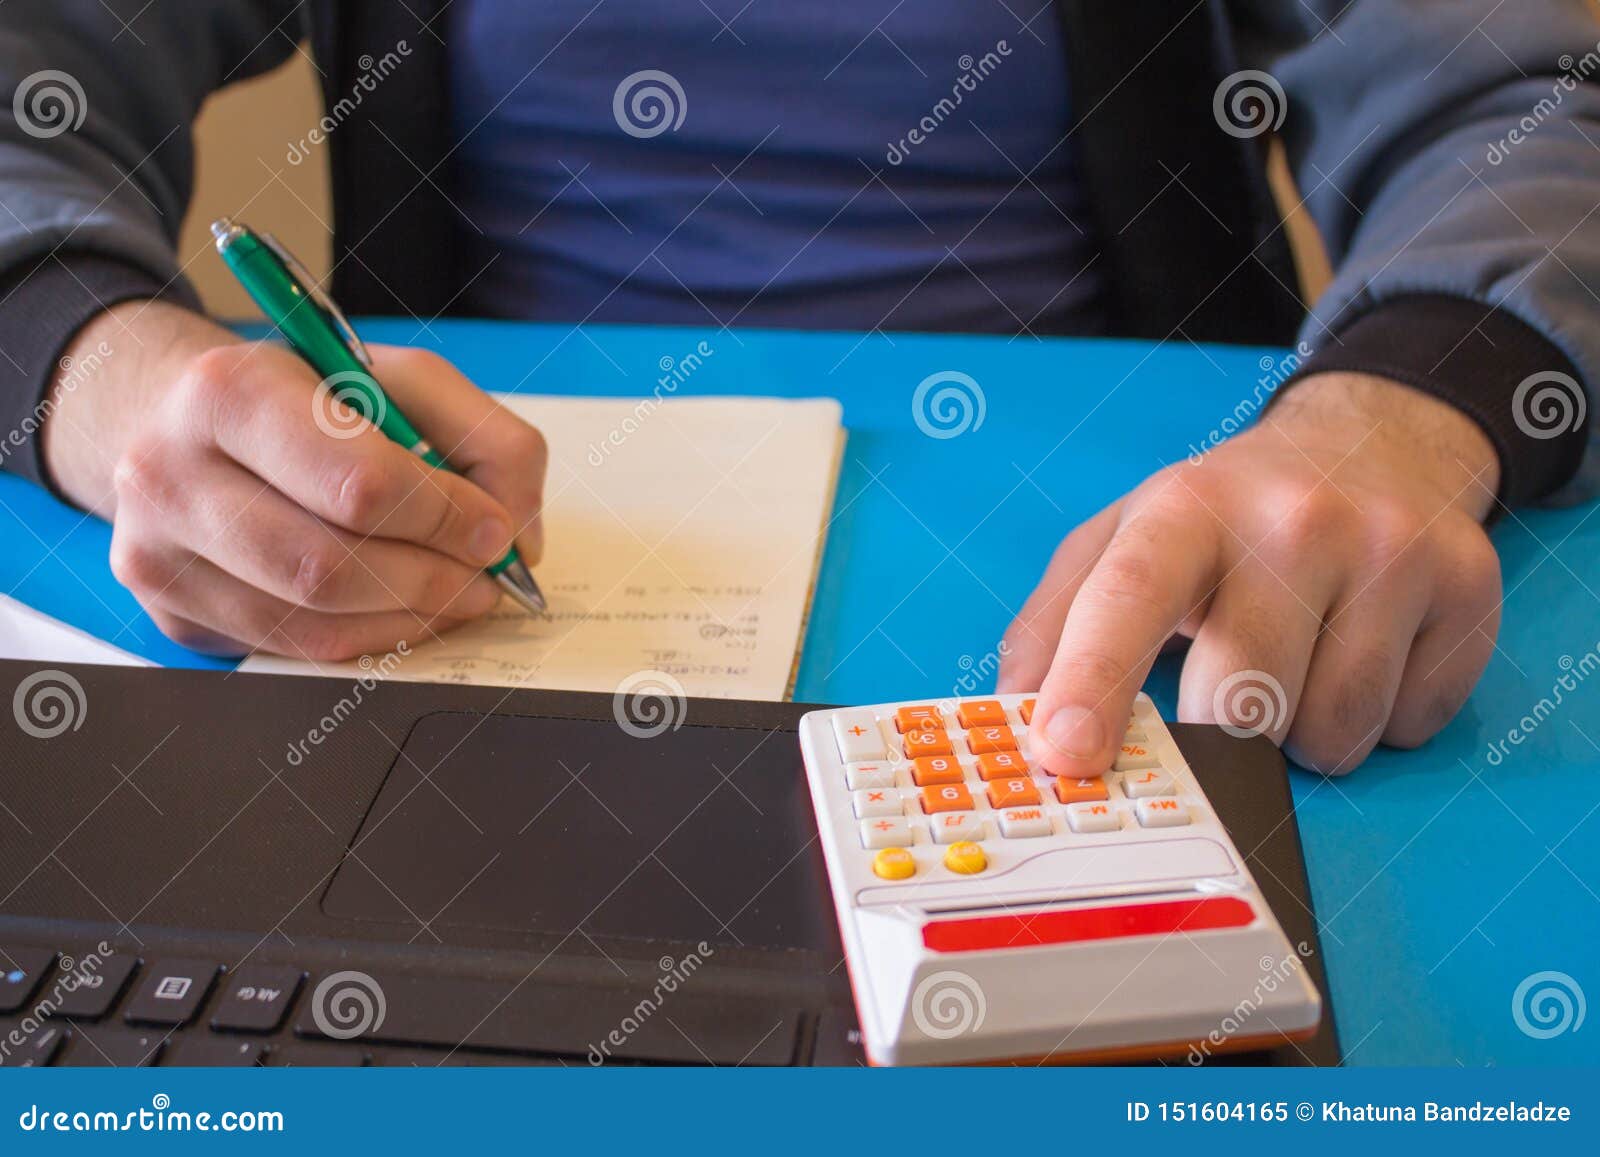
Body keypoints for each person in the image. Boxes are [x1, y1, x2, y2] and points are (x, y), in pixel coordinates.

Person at [1, 1, 1595, 776]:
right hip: (477, 593)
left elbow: (1525, 97)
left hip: (1129, 558)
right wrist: (116, 371)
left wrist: (1390, 414)